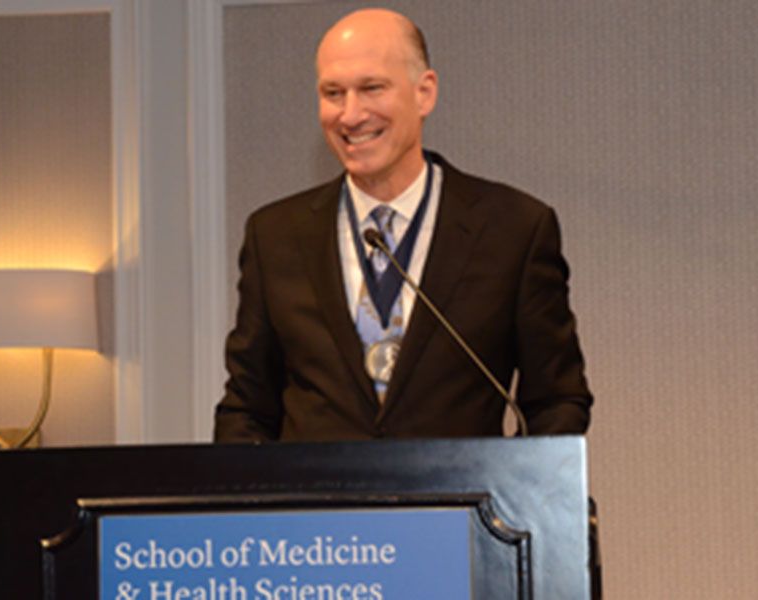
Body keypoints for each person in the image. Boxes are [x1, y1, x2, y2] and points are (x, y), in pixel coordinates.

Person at [214, 8, 591, 442]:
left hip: (458, 507)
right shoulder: (274, 236)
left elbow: (557, 402)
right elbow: (246, 407)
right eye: (333, 93)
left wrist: (513, 501)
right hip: (316, 509)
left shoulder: (514, 230)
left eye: (371, 88)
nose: (350, 115)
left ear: (424, 93)